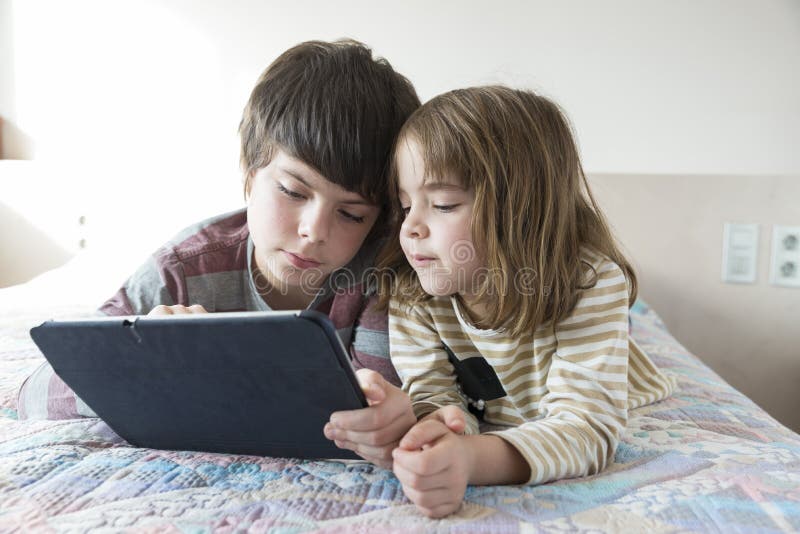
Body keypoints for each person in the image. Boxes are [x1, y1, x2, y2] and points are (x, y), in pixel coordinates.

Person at [17, 39, 420, 469]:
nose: (313, 231)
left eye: (352, 214)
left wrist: (389, 416)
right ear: (250, 175)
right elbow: (34, 392)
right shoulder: (181, 271)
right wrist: (141, 357)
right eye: (292, 191)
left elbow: (380, 398)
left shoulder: (382, 273)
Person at [375, 86, 677, 517]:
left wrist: (471, 457)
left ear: (523, 211)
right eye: (405, 207)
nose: (411, 228)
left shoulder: (590, 285)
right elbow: (432, 390)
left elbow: (587, 429)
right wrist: (440, 432)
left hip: (622, 385)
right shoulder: (414, 292)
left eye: (443, 204)